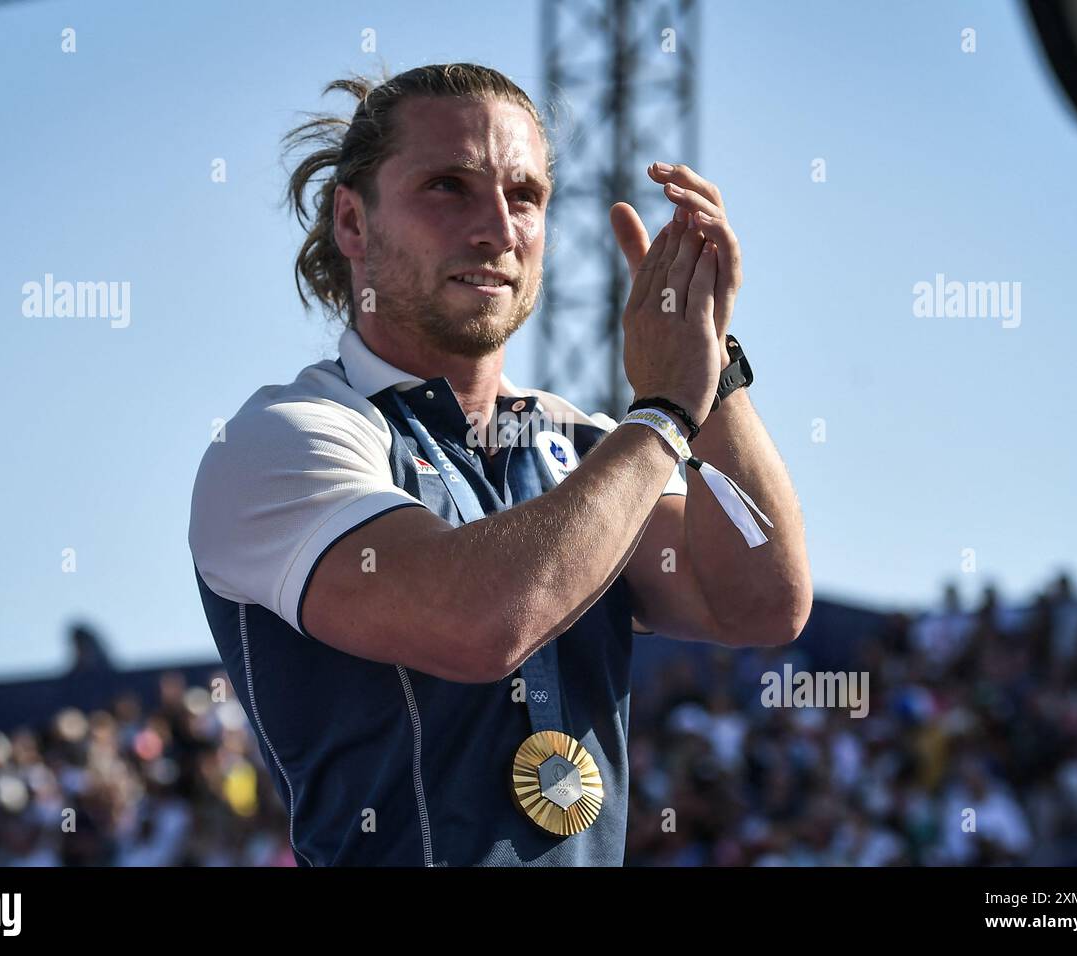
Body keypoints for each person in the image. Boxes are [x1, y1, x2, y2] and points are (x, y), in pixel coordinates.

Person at [187, 63, 812, 866]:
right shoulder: (286, 437)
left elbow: (761, 602)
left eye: (525, 195)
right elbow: (480, 625)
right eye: (448, 187)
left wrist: (711, 369)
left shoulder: (587, 446)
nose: (497, 229)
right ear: (352, 222)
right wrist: (660, 414)